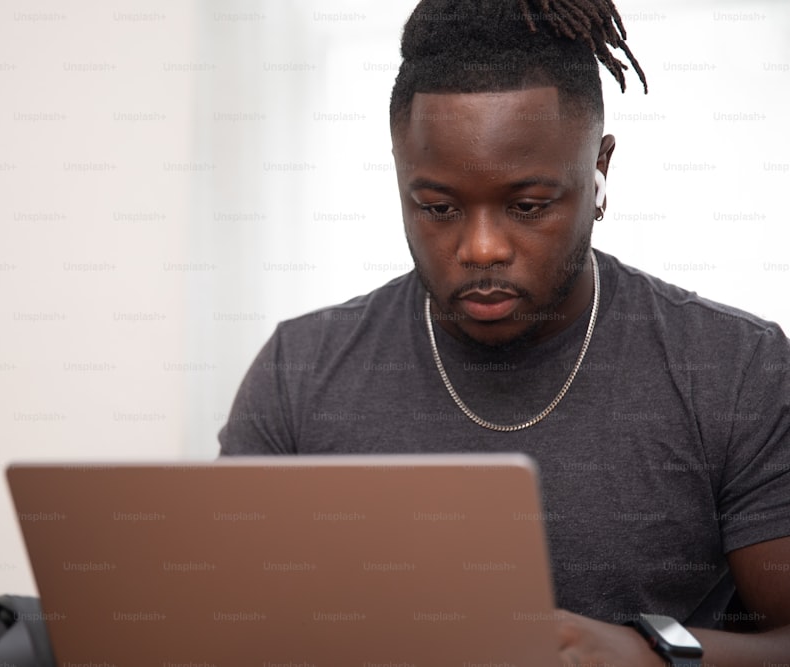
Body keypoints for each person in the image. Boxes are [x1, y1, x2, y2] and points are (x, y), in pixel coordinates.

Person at [217, 0, 790, 664]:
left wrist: (641, 656)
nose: (482, 248)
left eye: (527, 205)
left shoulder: (735, 369)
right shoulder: (301, 372)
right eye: (438, 207)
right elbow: (229, 625)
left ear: (600, 171)